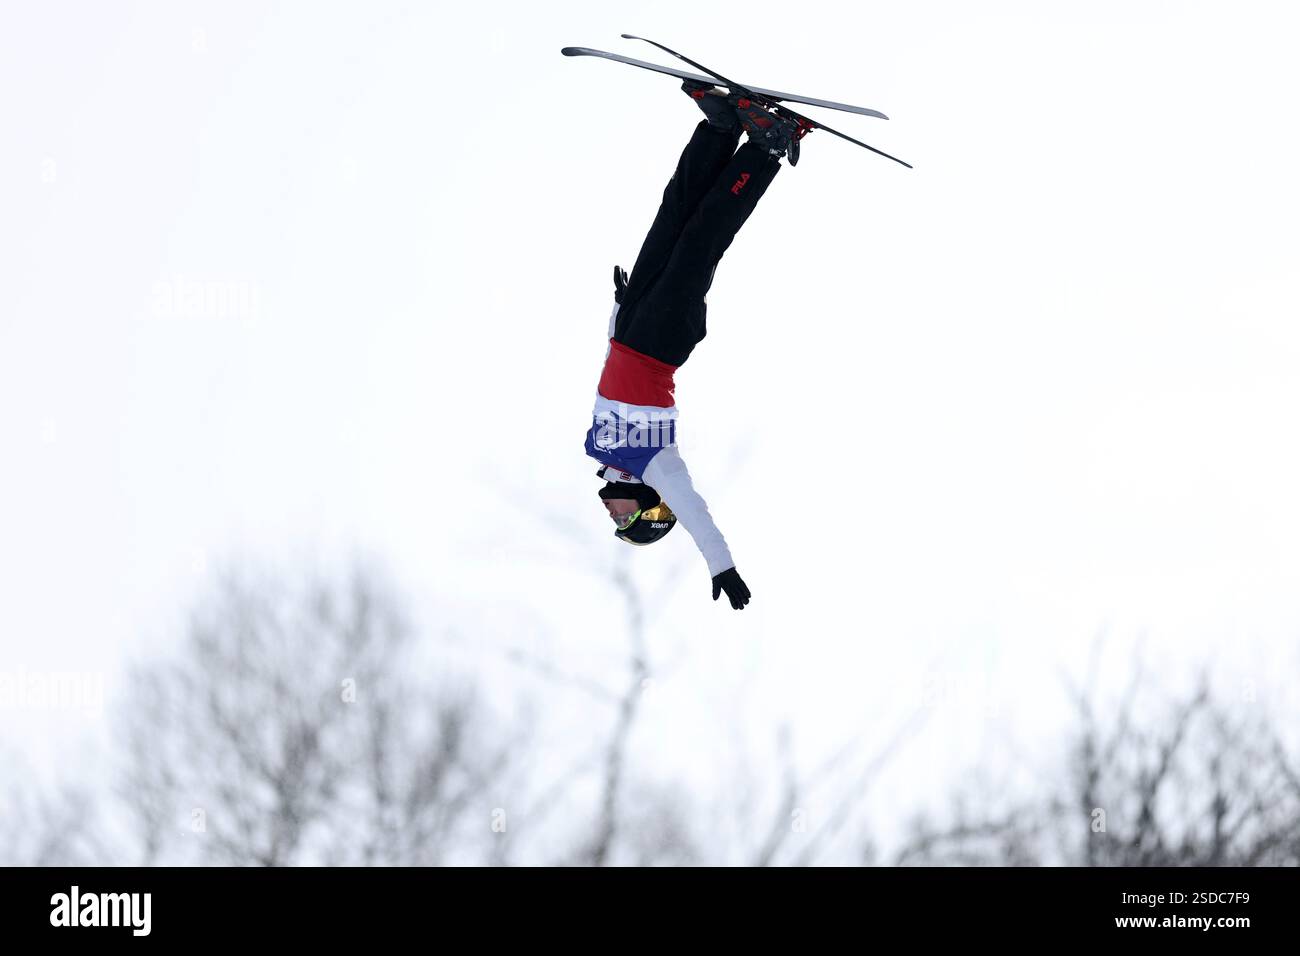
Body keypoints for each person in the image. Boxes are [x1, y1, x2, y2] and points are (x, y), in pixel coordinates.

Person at [583, 81, 807, 610]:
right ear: (648, 507)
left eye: (615, 520)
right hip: (662, 340)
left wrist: (616, 313)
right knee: (703, 236)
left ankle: (721, 129)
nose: (612, 515)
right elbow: (697, 514)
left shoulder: (599, 451)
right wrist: (722, 566)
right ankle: (768, 146)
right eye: (624, 520)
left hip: (631, 327)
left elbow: (606, 380)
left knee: (672, 218)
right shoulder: (658, 467)